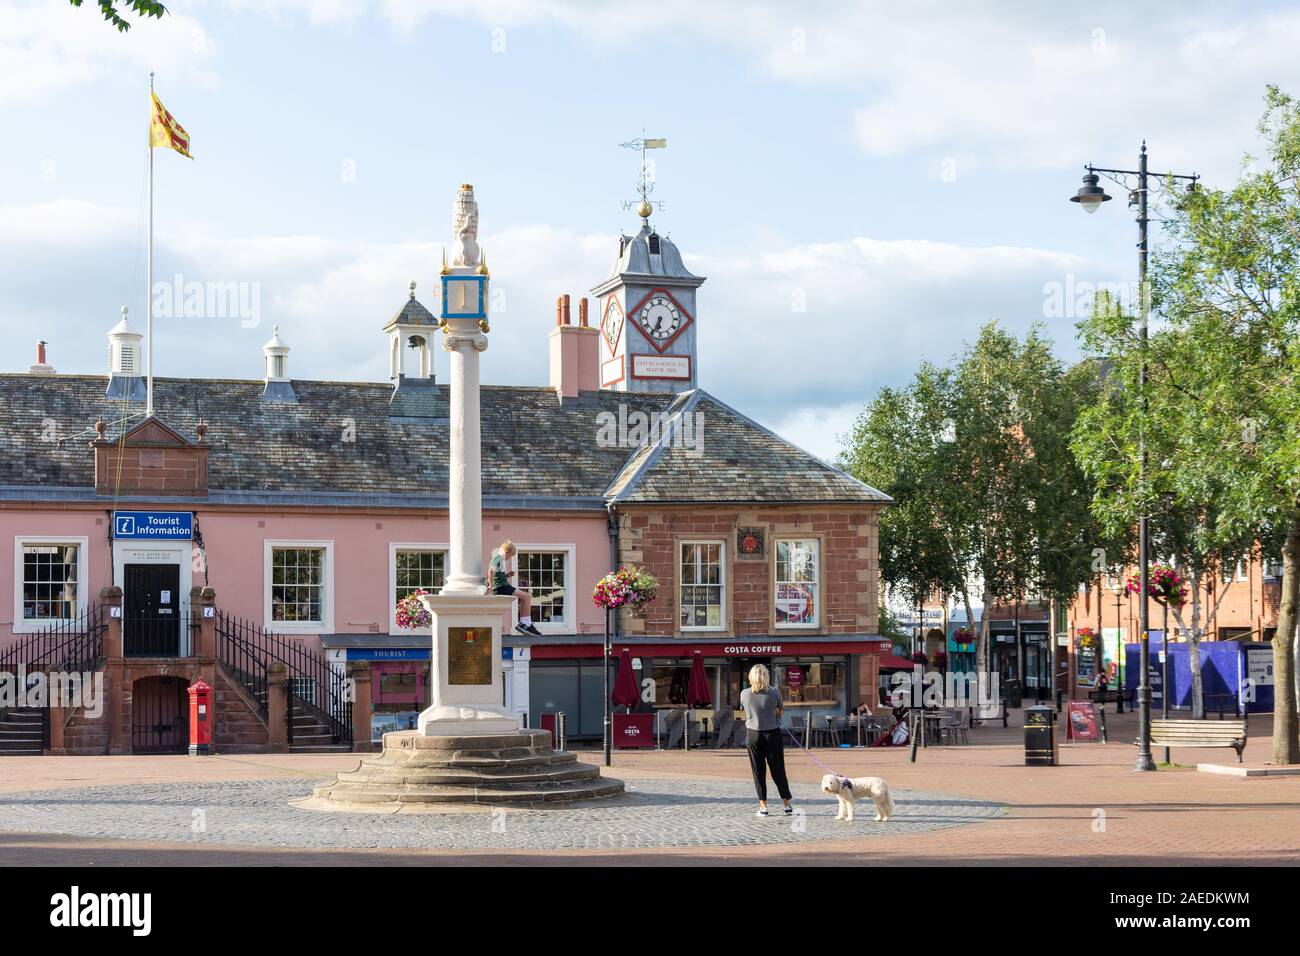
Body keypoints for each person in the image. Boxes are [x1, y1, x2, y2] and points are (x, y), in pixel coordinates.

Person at [740, 664, 793, 817]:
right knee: (778, 769)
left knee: (758, 771)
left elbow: (746, 710)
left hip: (753, 734)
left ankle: (763, 806)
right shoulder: (774, 692)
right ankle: (786, 804)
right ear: (766, 676)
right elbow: (779, 711)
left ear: (751, 677)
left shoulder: (744, 693)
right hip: (772, 733)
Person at [488, 540, 541, 636]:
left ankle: (525, 623)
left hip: (502, 585)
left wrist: (508, 575)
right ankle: (525, 623)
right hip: (502, 587)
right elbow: (491, 571)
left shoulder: (499, 559)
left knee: (526, 597)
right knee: (526, 597)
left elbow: (497, 576)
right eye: (510, 556)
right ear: (507, 552)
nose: (509, 558)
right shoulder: (498, 557)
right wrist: (490, 585)